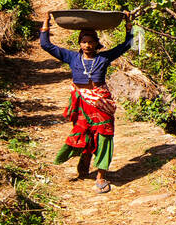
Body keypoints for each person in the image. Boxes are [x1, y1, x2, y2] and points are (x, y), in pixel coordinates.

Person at [40, 10, 132, 193]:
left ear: (97, 43)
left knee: (105, 136)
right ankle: (84, 162)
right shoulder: (72, 57)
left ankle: (101, 176)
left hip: (101, 102)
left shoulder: (103, 58)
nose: (87, 45)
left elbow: (127, 44)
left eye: (91, 42)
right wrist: (46, 21)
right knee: (83, 133)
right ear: (79, 44)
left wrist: (129, 23)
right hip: (82, 102)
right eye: (84, 41)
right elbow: (46, 45)